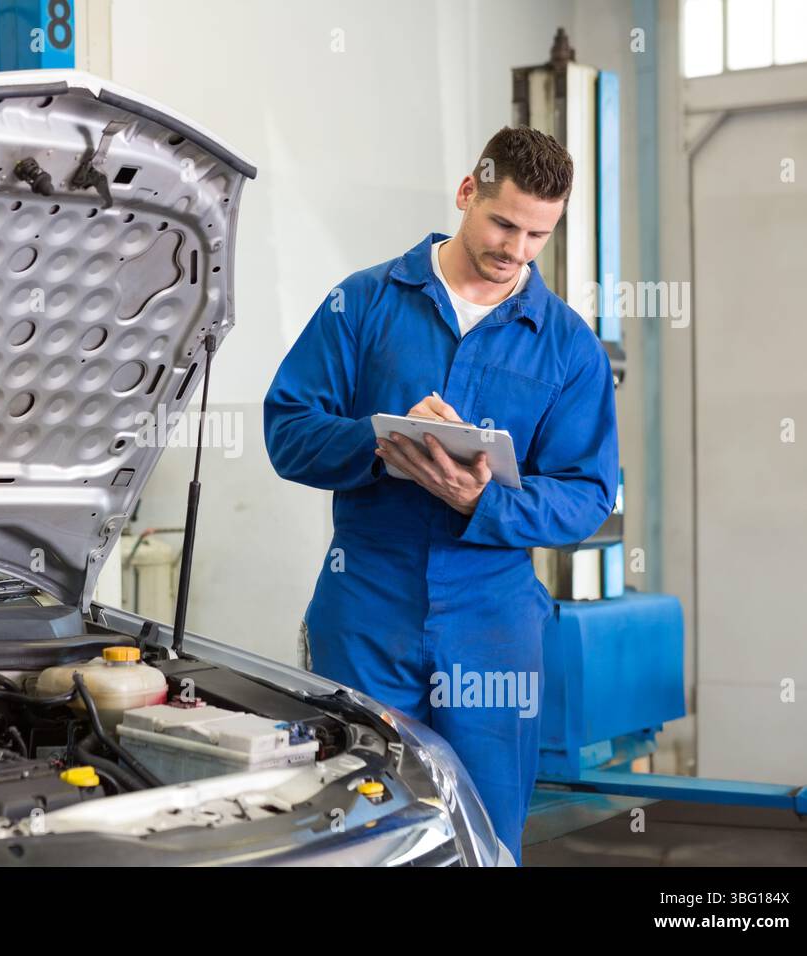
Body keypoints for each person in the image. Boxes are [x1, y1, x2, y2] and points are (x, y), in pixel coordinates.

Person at [263, 126, 618, 864]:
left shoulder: (567, 347)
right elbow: (287, 430)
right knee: (353, 821)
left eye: (537, 235)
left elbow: (587, 495)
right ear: (467, 193)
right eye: (502, 223)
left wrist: (479, 503)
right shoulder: (361, 305)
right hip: (366, 601)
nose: (516, 250)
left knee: (483, 833)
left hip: (492, 618)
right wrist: (379, 444)